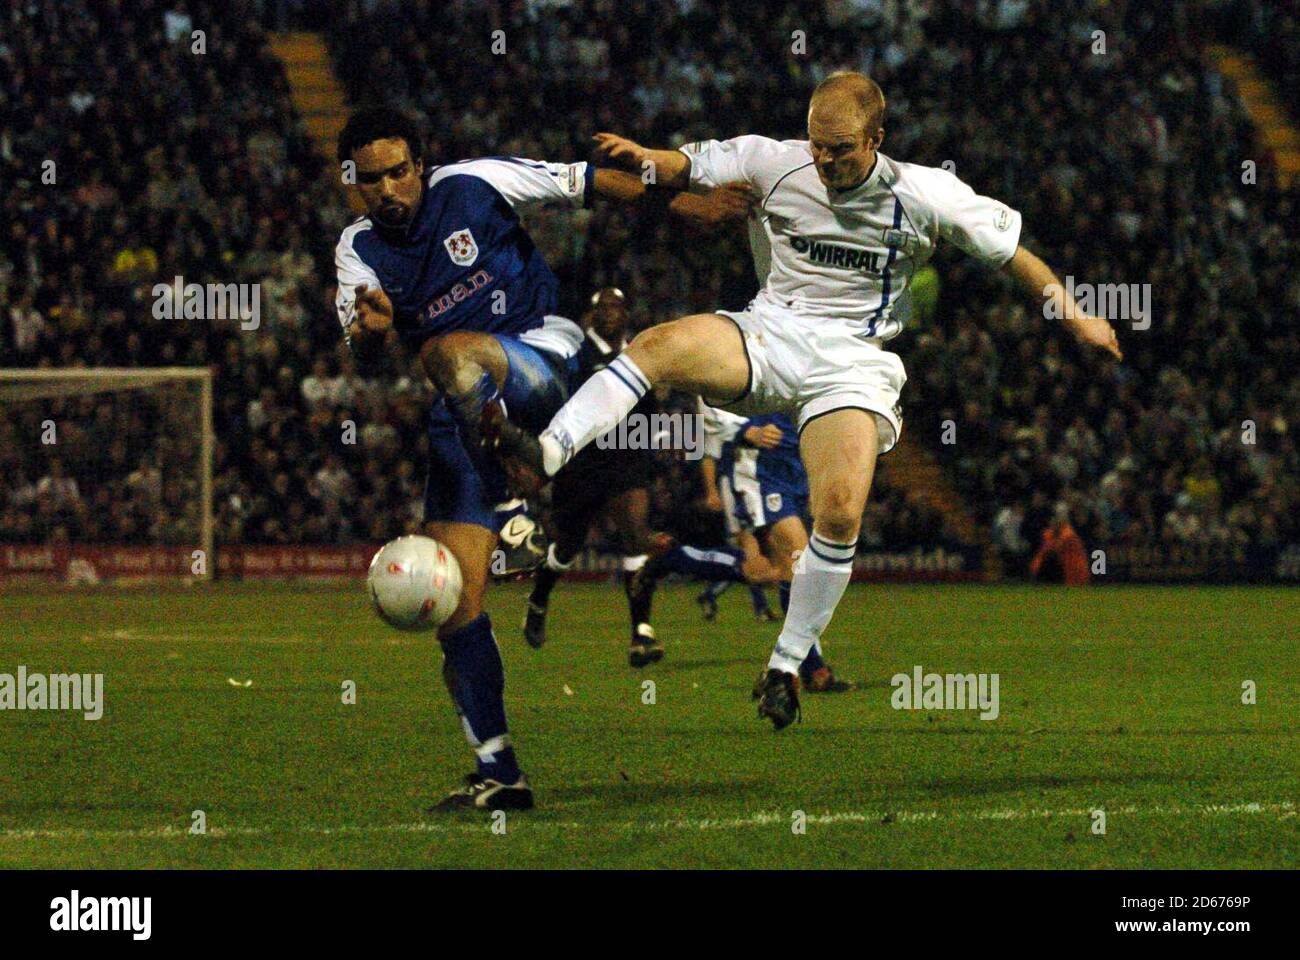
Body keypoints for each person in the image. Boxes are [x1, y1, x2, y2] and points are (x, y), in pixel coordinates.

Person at [489, 71, 1122, 731]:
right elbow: (686, 167)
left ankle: (786, 665)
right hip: (770, 333)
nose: (825, 160)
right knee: (656, 345)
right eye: (817, 144)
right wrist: (646, 158)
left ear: (877, 139)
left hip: (851, 365)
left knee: (841, 514)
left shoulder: (929, 194)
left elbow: (1016, 254)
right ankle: (550, 448)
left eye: (841, 148)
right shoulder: (776, 161)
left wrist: (1077, 317)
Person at [333, 107, 750, 809]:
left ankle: (517, 506)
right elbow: (361, 339)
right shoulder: (358, 251)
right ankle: (500, 774)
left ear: (421, 166)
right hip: (465, 416)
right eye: (370, 179)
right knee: (455, 603)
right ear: (353, 185)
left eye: (399, 171)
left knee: (448, 351)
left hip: (544, 359)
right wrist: (369, 332)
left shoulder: (474, 183)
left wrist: (684, 203)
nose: (388, 189)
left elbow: (589, 181)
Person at [523, 287, 669, 667]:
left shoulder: (637, 352)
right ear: (591, 315)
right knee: (568, 547)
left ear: (625, 312)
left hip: (626, 459)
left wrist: (661, 437)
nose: (610, 313)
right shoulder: (575, 356)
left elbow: (651, 410)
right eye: (603, 307)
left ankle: (641, 632)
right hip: (582, 462)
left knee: (636, 536)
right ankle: (539, 597)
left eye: (617, 306)